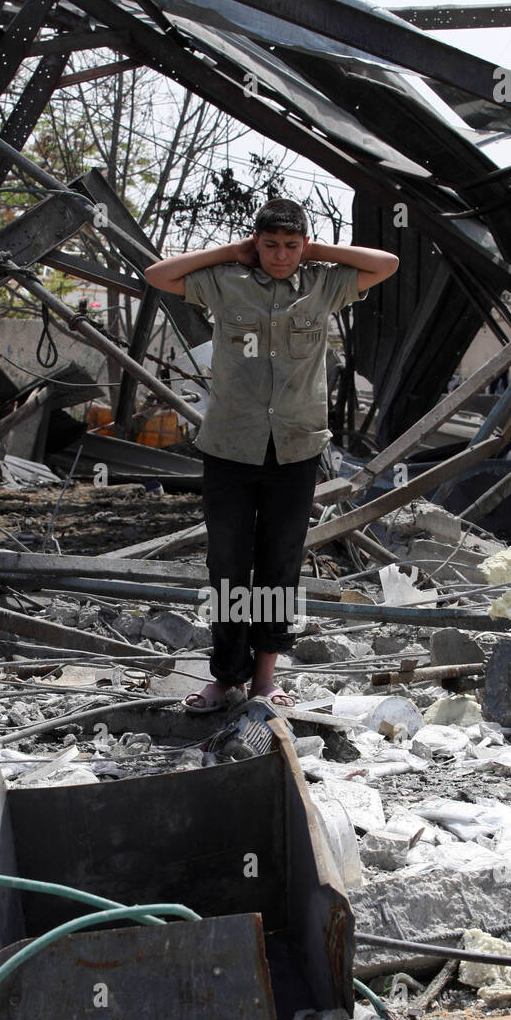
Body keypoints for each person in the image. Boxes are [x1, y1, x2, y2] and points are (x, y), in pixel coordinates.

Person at [144, 198, 399, 711]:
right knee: (228, 563)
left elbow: (386, 264)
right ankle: (226, 677)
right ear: (254, 244)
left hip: (296, 449)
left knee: (279, 563)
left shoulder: (322, 285)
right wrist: (230, 252)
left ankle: (264, 677)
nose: (280, 256)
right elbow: (157, 274)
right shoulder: (225, 283)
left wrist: (317, 250)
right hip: (230, 448)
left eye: (290, 245)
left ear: (301, 246)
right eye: (270, 244)